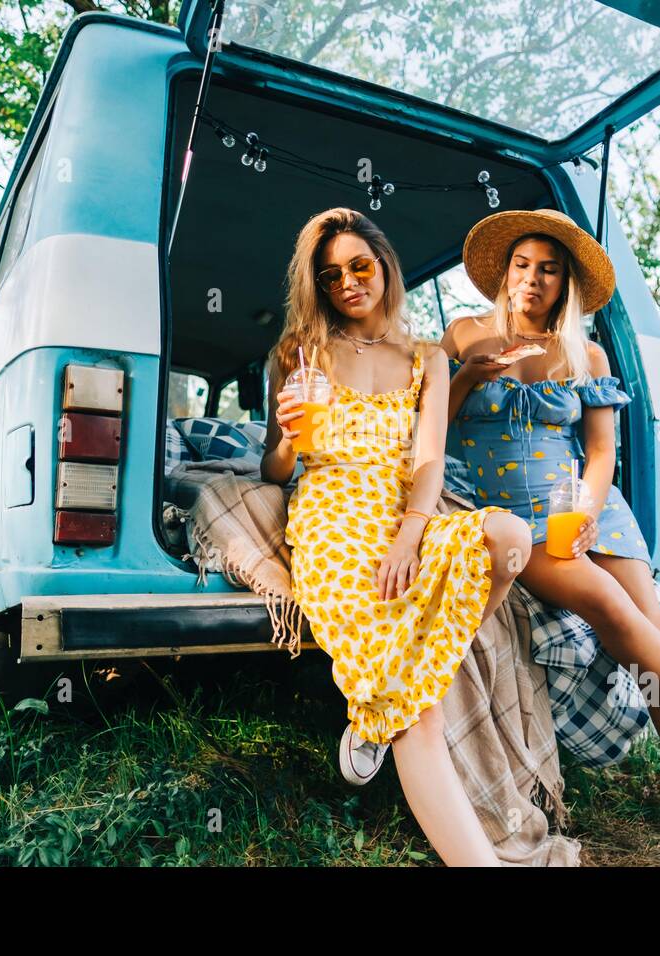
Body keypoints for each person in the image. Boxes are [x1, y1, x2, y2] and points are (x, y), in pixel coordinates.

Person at [440, 207, 660, 867]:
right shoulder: (463, 337)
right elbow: (434, 428)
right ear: (503, 274)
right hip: (514, 517)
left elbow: (599, 452)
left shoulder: (582, 353)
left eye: (549, 270)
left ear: (564, 284)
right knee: (613, 609)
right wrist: (468, 378)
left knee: (655, 646)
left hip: (591, 509)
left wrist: (590, 509)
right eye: (523, 266)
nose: (532, 279)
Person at [260, 207, 534, 867]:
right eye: (331, 276)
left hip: (402, 514)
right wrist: (289, 433)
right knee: (422, 715)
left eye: (360, 266)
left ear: (384, 266)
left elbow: (429, 461)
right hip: (329, 520)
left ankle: (379, 708)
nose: (349, 283)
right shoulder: (298, 351)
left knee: (508, 536)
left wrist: (411, 535)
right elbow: (274, 467)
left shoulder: (426, 359)